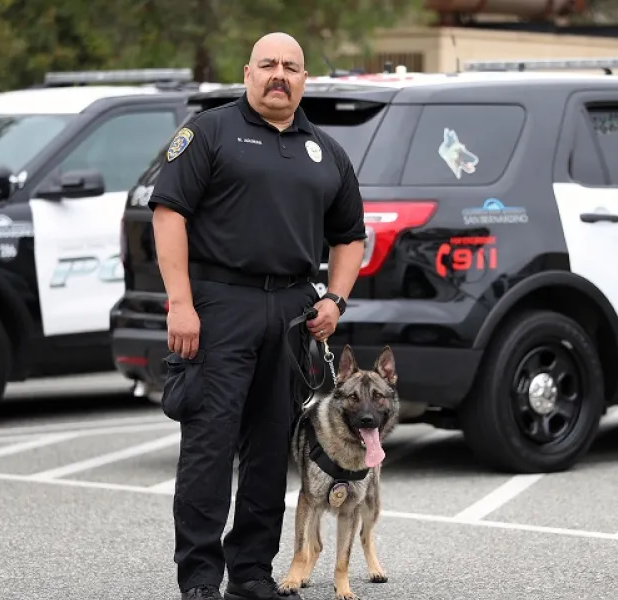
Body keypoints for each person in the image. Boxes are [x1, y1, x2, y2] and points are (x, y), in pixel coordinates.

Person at [148, 32, 367, 600]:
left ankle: (249, 572)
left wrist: (335, 300)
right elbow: (169, 214)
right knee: (209, 445)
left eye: (290, 67)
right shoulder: (209, 132)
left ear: (303, 79)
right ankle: (199, 577)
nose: (279, 75)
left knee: (271, 448)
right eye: (268, 65)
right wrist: (181, 303)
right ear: (247, 72)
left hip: (293, 312)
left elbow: (349, 238)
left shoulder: (326, 151)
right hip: (219, 305)